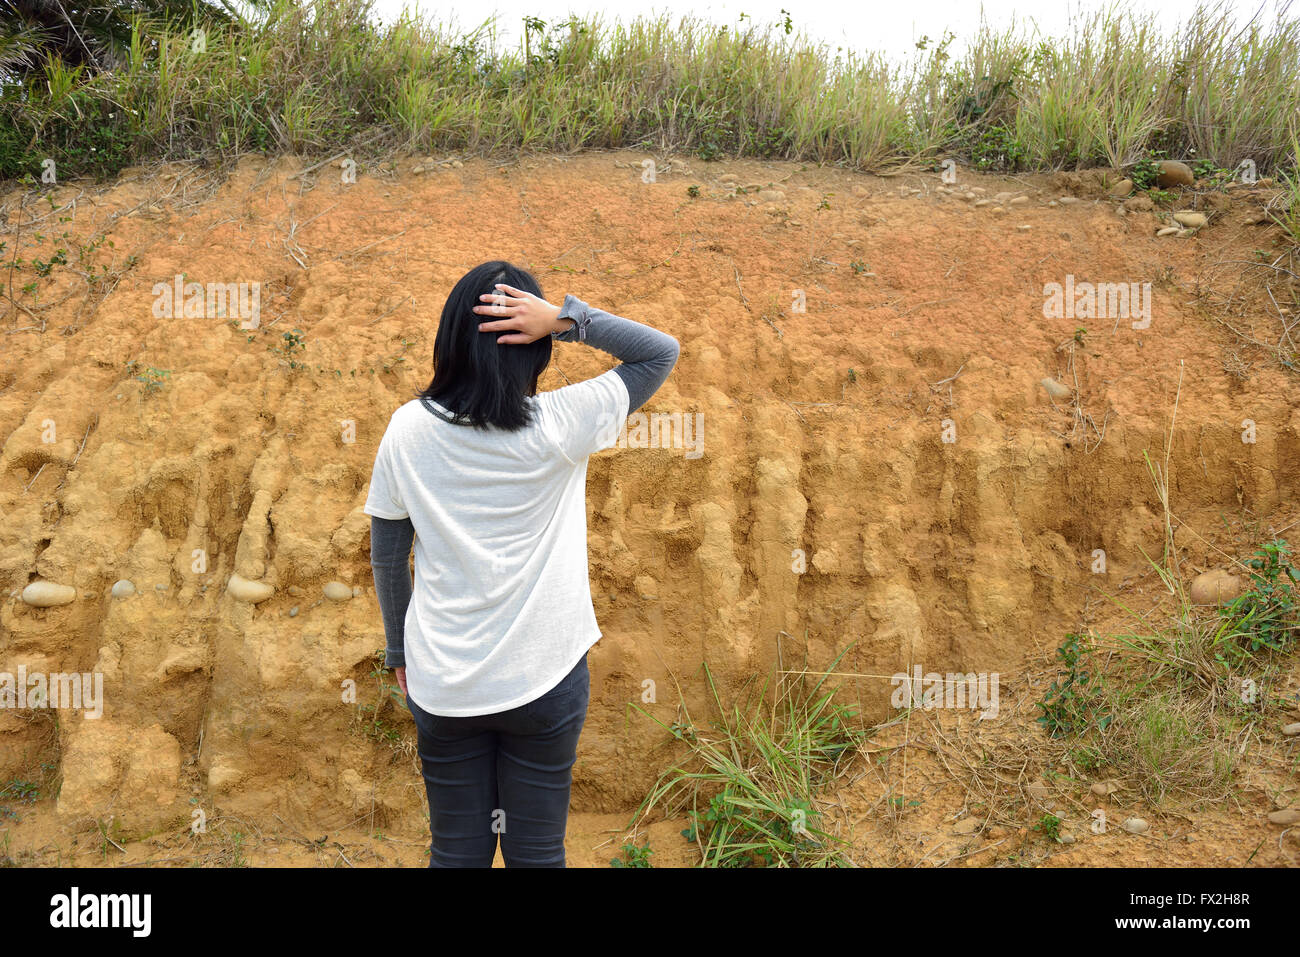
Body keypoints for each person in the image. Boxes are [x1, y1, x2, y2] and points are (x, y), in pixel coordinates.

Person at [363, 260, 679, 867]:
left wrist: (399, 652)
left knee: (457, 853)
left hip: (445, 684)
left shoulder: (406, 431)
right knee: (537, 853)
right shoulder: (560, 424)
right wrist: (567, 320)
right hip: (546, 680)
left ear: (449, 341)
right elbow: (658, 353)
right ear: (532, 350)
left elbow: (388, 556)